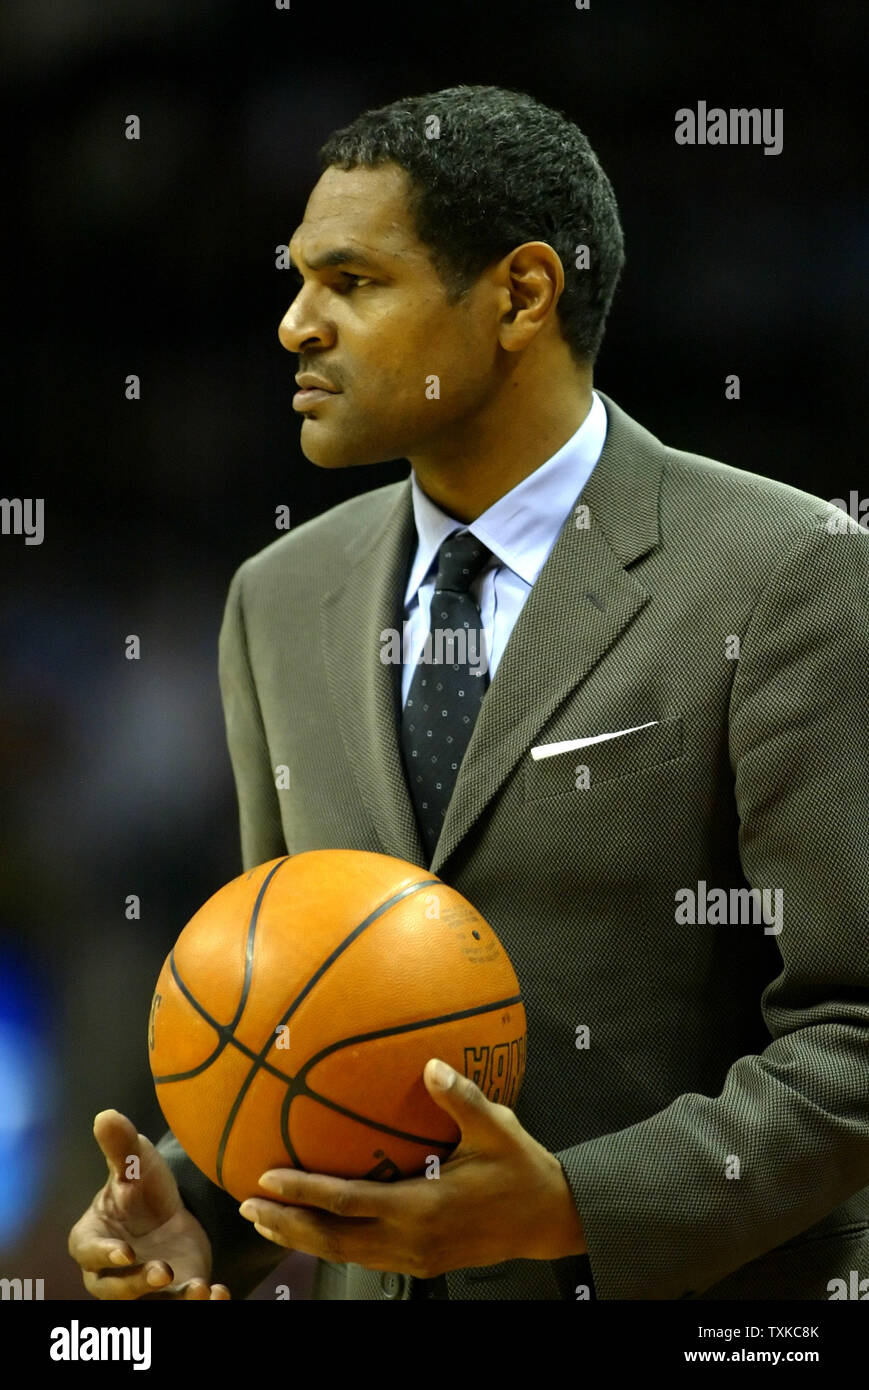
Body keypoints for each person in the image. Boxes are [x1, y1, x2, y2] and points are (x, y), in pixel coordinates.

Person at [69, 85, 869, 1302]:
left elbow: (852, 1037)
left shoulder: (782, 568)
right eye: (296, 280)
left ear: (520, 296)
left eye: (352, 281)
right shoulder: (277, 597)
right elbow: (300, 1013)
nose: (294, 324)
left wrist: (569, 1209)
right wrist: (207, 1199)